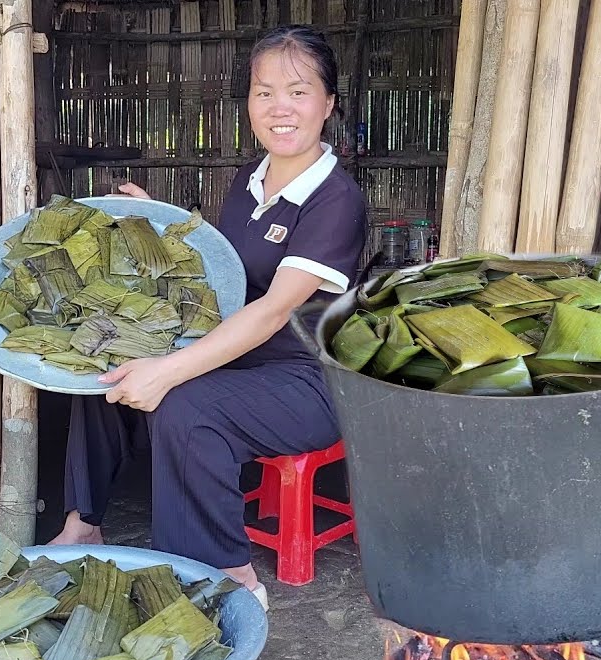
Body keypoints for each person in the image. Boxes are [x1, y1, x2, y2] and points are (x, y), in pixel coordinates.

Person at [51, 25, 368, 604]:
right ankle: (83, 522)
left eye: (298, 92)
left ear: (328, 104)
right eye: (264, 92)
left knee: (185, 405)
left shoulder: (335, 200)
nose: (279, 108)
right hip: (239, 356)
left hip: (309, 380)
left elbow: (272, 309)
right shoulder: (249, 182)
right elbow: (223, 270)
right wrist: (160, 222)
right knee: (108, 366)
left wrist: (169, 371)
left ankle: (228, 573)